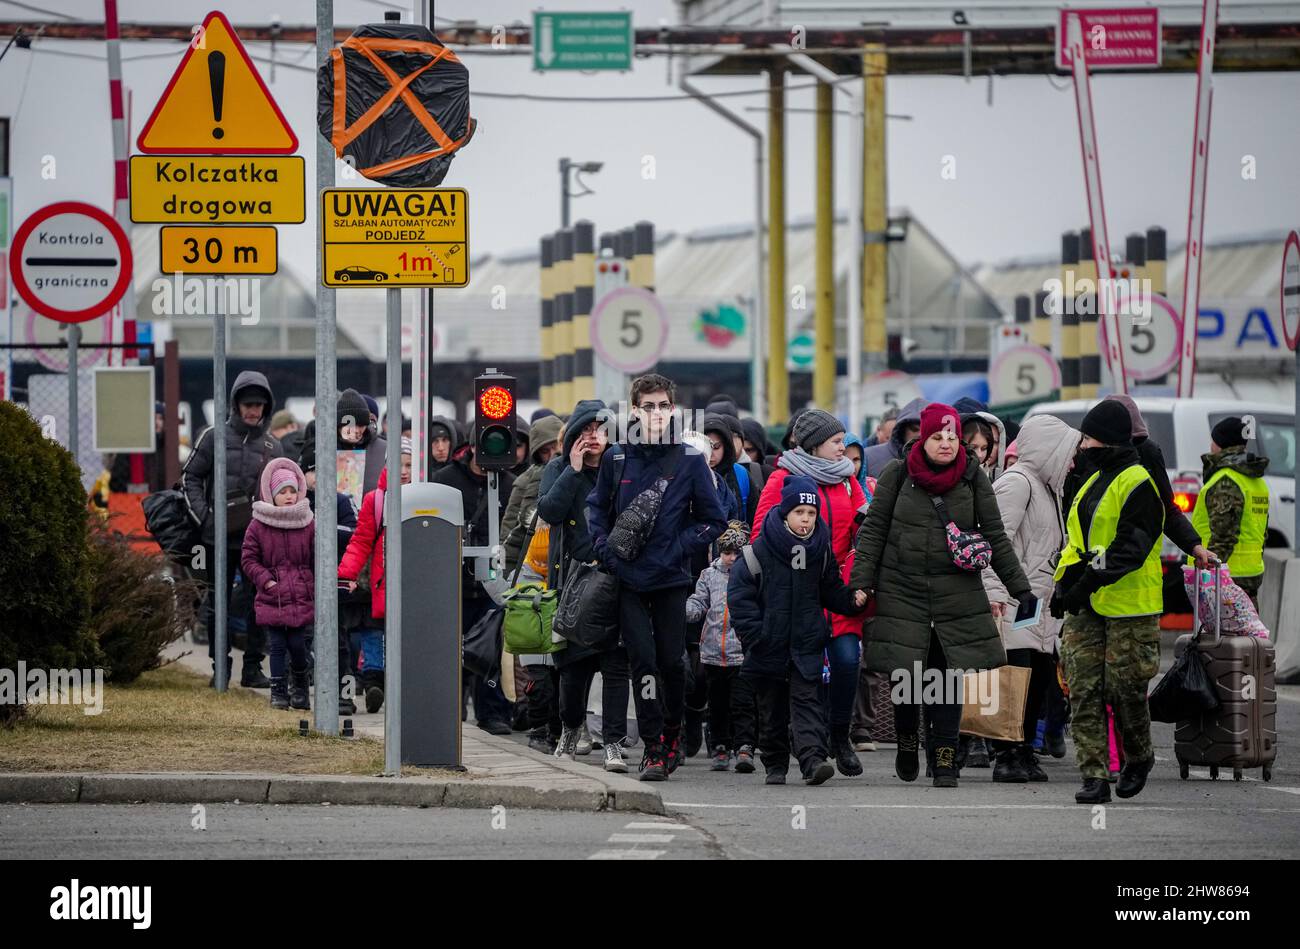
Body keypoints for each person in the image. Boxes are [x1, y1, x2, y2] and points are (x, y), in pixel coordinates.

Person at [851, 403, 1031, 789]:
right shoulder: (897, 475)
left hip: (956, 593)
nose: (946, 443)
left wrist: (1021, 589)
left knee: (948, 677)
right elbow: (874, 532)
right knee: (908, 675)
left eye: (952, 436)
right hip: (903, 589)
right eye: (938, 436)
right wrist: (861, 582)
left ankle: (945, 760)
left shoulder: (972, 476)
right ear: (924, 438)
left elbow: (996, 538)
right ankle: (906, 740)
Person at [587, 373, 727, 781]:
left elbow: (713, 520)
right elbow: (596, 510)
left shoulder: (689, 460)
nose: (656, 413)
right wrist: (604, 551)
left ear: (673, 409)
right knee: (642, 664)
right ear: (634, 411)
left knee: (671, 663)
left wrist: (677, 548)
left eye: (663, 406)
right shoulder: (616, 458)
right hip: (628, 580)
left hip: (670, 579)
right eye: (648, 406)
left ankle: (671, 734)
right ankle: (652, 748)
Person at [1050, 401, 1165, 804]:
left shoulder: (1139, 482)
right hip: (1086, 605)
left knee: (1125, 690)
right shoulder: (1090, 481)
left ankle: (1139, 756)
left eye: (1088, 437)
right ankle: (1093, 775)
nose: (1082, 445)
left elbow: (1129, 549)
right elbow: (1077, 543)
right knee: (1082, 687)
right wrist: (1063, 586)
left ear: (1108, 439)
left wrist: (1086, 582)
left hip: (1130, 606)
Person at [751, 409, 869, 777]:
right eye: (836, 442)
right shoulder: (784, 477)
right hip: (797, 592)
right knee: (805, 675)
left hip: (838, 589)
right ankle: (803, 745)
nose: (843, 449)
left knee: (848, 661)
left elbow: (864, 528)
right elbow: (760, 535)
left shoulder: (849, 481)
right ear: (815, 444)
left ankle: (839, 736)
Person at [728, 477, 868, 786]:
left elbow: (829, 589)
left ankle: (812, 761)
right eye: (799, 512)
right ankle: (775, 763)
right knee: (772, 709)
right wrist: (755, 637)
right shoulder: (758, 552)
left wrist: (850, 600)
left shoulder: (821, 551)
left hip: (806, 643)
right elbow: (740, 598)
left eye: (811, 513)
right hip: (768, 645)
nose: (806, 519)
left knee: (808, 704)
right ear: (784, 512)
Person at [982, 415, 1082, 782]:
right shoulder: (1018, 483)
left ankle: (1022, 749)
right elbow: (994, 541)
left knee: (1037, 678)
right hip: (1014, 599)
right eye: (1068, 453)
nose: (1072, 461)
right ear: (1050, 451)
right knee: (1014, 678)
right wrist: (994, 592)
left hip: (1037, 602)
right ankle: (1007, 753)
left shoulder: (1048, 490)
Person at [537, 400, 632, 771]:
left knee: (615, 664)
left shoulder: (622, 467)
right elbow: (549, 512)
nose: (593, 437)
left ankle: (612, 743)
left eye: (600, 429)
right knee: (573, 670)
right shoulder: (560, 468)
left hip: (614, 579)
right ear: (574, 435)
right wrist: (573, 472)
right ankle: (571, 728)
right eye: (586, 430)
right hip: (573, 583)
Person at [181, 370, 283, 687]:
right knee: (218, 603)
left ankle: (252, 668)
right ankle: (220, 668)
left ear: (267, 408)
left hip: (258, 540)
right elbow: (190, 478)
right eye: (248, 404)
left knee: (260, 604)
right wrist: (205, 517)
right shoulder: (213, 437)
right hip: (218, 539)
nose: (253, 411)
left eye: (259, 405)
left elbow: (282, 491)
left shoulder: (273, 446)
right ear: (235, 405)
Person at [1067, 394, 1213, 571]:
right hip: (1090, 567)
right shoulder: (1090, 453)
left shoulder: (1146, 452)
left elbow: (1167, 508)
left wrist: (1193, 545)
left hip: (1134, 569)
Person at [433, 435, 517, 734]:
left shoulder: (510, 484)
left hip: (493, 583)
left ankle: (493, 713)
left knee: (492, 649)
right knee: (448, 650)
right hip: (452, 581)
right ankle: (446, 712)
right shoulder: (445, 480)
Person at [337, 439, 413, 714]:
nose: (403, 471)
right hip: (379, 584)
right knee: (373, 633)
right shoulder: (375, 500)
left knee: (403, 637)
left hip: (411, 585)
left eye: (409, 465)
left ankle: (397, 687)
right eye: (397, 464)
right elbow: (360, 541)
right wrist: (344, 573)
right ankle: (372, 684)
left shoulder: (424, 500)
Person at [241, 458, 315, 711]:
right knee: (276, 646)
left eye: (292, 491)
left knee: (298, 645)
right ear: (271, 494)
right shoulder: (258, 524)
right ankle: (278, 691)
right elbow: (249, 559)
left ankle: (301, 687)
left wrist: (312, 584)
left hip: (301, 596)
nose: (288, 497)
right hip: (272, 596)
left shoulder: (307, 522)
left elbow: (318, 557)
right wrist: (267, 581)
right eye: (282, 492)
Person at [687, 522, 757, 772]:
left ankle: (745, 746)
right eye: (727, 552)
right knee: (717, 704)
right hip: (713, 653)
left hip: (740, 652)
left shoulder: (751, 575)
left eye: (736, 553)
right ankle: (719, 746)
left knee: (742, 702)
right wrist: (690, 611)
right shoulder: (708, 575)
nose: (731, 558)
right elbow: (699, 599)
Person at [1189, 417, 1270, 609]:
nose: (1210, 445)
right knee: (1247, 637)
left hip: (1225, 577)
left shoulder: (1225, 480)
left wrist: (1207, 575)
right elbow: (1262, 532)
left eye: (1213, 440)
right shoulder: (1255, 480)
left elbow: (1223, 535)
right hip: (1250, 574)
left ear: (1220, 444)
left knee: (1221, 638)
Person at [501, 415, 564, 575]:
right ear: (537, 455)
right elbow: (511, 534)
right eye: (545, 451)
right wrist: (508, 578)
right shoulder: (525, 482)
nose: (552, 455)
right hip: (534, 571)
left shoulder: (583, 473)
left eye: (556, 447)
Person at [109, 403, 167, 493]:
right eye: (152, 418)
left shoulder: (169, 449)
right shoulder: (131, 449)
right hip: (135, 500)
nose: (156, 422)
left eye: (160, 418)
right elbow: (116, 482)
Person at [862, 397, 925, 480]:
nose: (920, 434)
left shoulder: (943, 458)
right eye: (914, 429)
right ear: (902, 430)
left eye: (925, 429)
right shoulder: (867, 457)